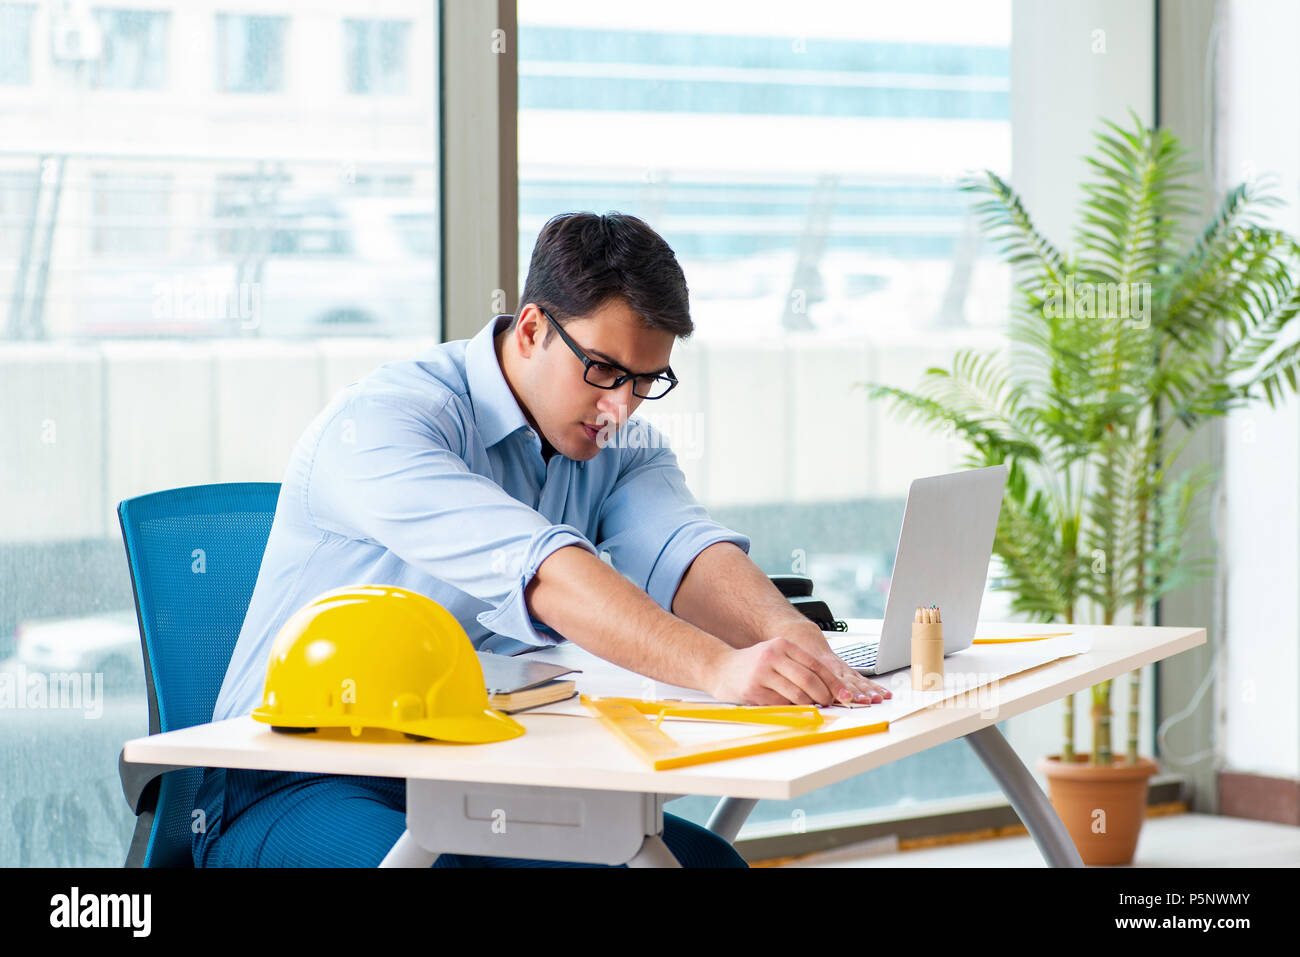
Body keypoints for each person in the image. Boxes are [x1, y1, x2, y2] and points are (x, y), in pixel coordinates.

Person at [193, 211, 891, 868]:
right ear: (531, 329)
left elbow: (684, 547)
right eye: (605, 371)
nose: (621, 406)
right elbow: (542, 572)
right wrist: (717, 668)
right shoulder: (386, 424)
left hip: (471, 766)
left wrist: (792, 639)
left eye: (647, 380)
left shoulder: (617, 442)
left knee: (705, 861)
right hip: (293, 772)